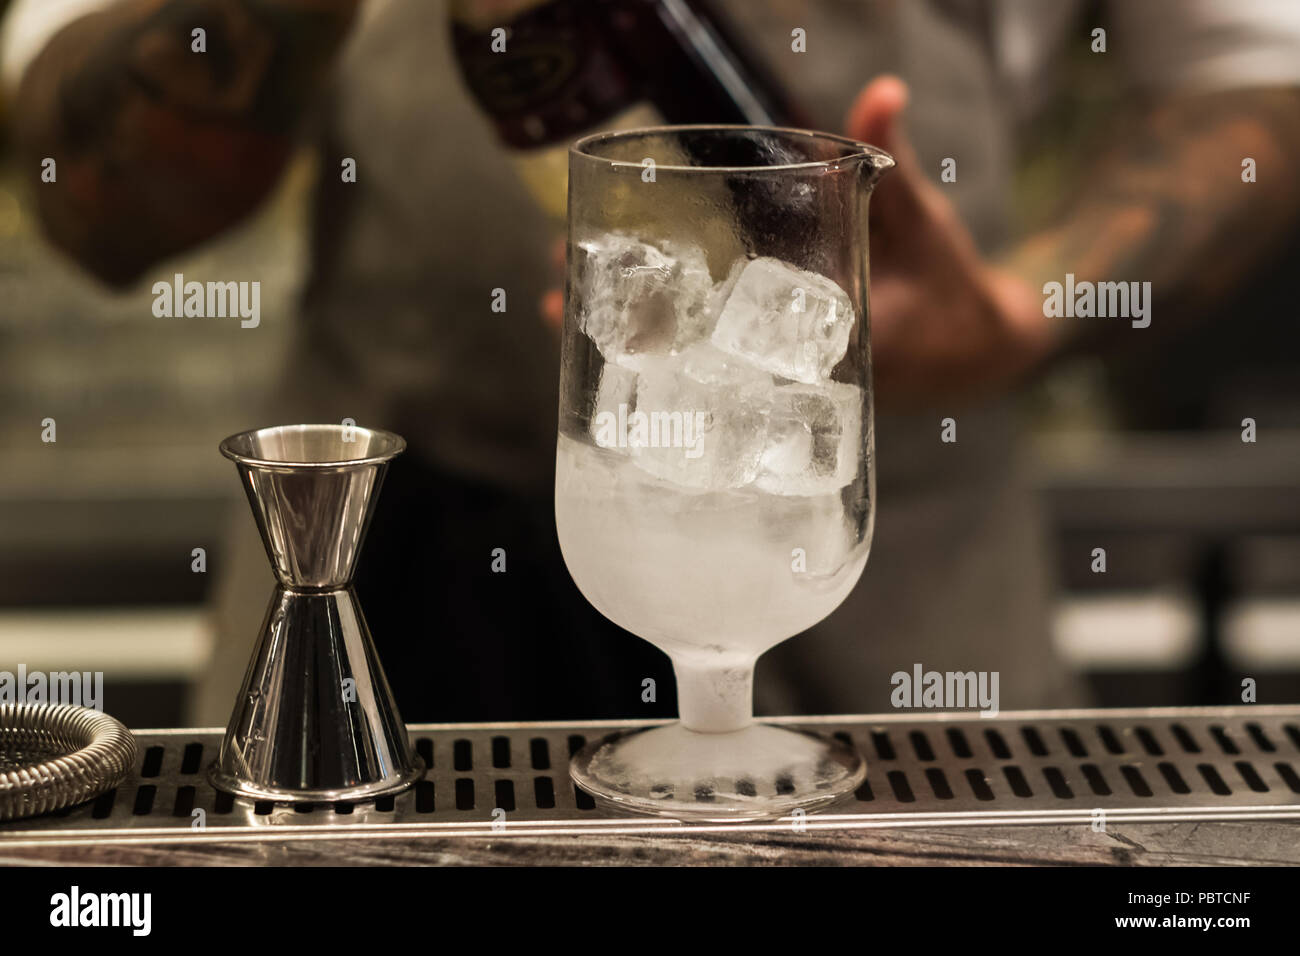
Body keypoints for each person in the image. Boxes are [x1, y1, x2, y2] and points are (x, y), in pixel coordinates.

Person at [4, 0, 1300, 725]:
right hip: (375, 558)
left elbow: (1254, 76)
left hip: (881, 538)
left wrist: (1021, 313)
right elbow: (97, 207)